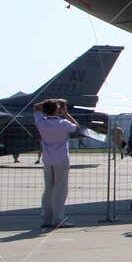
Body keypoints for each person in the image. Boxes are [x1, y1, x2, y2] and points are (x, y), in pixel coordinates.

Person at [32, 98, 80, 230]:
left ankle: (46, 218)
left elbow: (35, 107)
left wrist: (53, 101)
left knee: (48, 189)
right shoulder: (63, 123)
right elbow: (76, 127)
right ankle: (58, 218)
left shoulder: (41, 122)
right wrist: (66, 113)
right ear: (57, 110)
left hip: (47, 159)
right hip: (61, 158)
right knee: (60, 189)